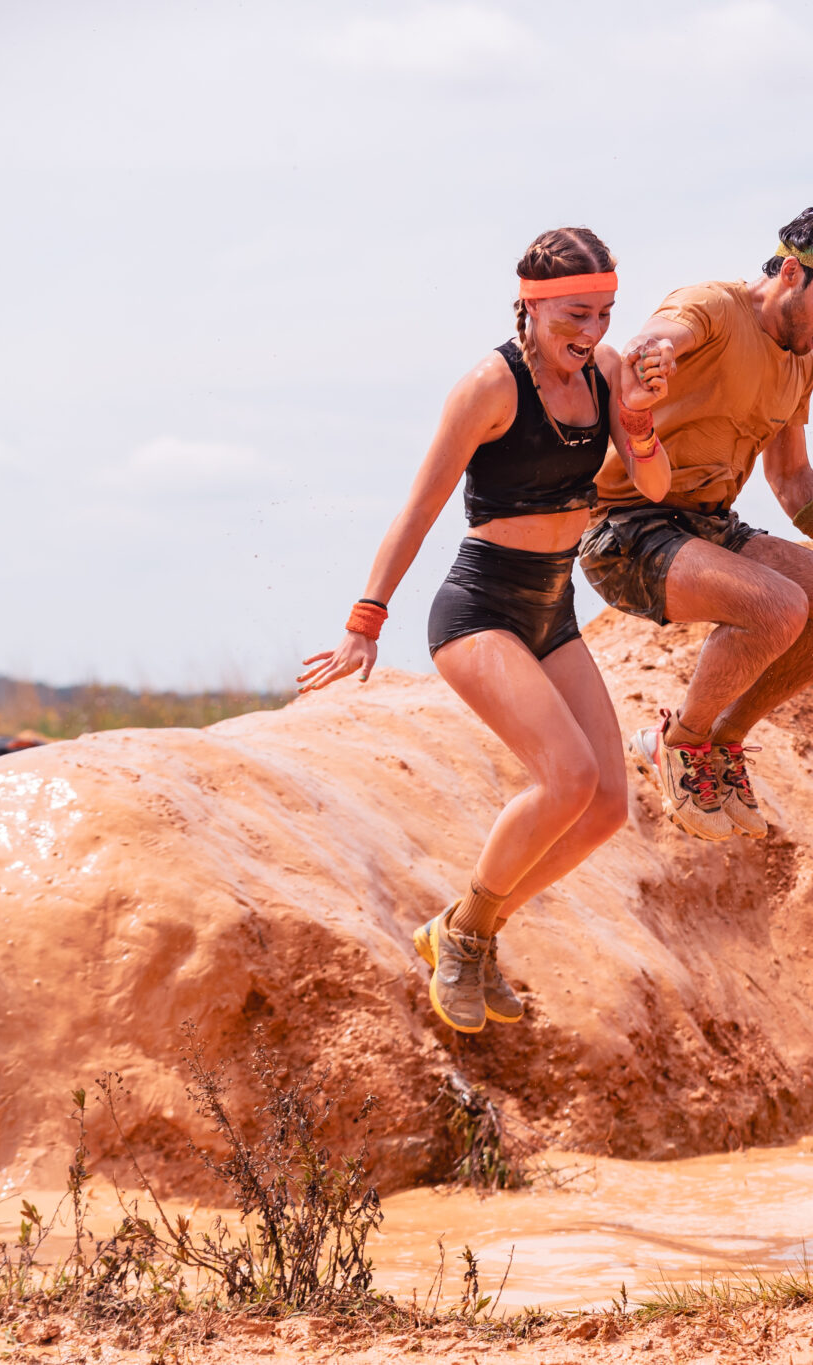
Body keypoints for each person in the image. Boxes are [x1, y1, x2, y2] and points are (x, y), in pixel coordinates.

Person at [297, 228, 674, 1035]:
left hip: (553, 607)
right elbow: (421, 504)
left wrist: (640, 418)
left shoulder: (607, 375)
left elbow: (655, 480)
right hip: (479, 611)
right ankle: (467, 936)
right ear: (532, 307)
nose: (595, 333)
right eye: (577, 315)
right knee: (567, 777)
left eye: (606, 313)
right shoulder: (489, 386)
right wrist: (366, 619)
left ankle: (470, 927)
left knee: (607, 804)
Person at [580, 208, 813, 842]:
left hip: (707, 525)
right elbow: (661, 335)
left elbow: (793, 478)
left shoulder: (801, 361)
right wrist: (655, 352)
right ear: (792, 274)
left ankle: (721, 745)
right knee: (779, 607)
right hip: (626, 528)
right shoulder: (713, 307)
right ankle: (678, 745)